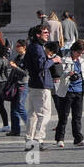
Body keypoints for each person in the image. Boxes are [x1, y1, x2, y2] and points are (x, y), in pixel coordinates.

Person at [53, 39, 84, 147]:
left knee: (77, 117)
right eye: (79, 52)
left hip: (79, 91)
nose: (80, 55)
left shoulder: (81, 61)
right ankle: (59, 139)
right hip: (67, 92)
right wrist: (67, 74)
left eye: (82, 53)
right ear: (73, 50)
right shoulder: (65, 60)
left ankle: (78, 138)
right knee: (63, 116)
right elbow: (60, 75)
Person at [24, 23, 60, 154]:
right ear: (38, 35)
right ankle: (38, 140)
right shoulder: (38, 48)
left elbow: (26, 63)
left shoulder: (30, 47)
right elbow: (42, 65)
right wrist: (53, 60)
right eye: (45, 32)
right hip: (41, 84)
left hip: (33, 83)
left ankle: (29, 140)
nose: (48, 34)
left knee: (33, 114)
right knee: (44, 114)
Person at [6, 40, 30, 137]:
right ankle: (15, 130)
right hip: (15, 84)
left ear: (24, 47)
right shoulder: (17, 57)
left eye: (18, 46)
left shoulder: (26, 58)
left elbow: (25, 73)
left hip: (23, 84)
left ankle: (30, 126)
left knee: (20, 106)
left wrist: (15, 67)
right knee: (13, 108)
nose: (16, 48)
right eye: (16, 46)